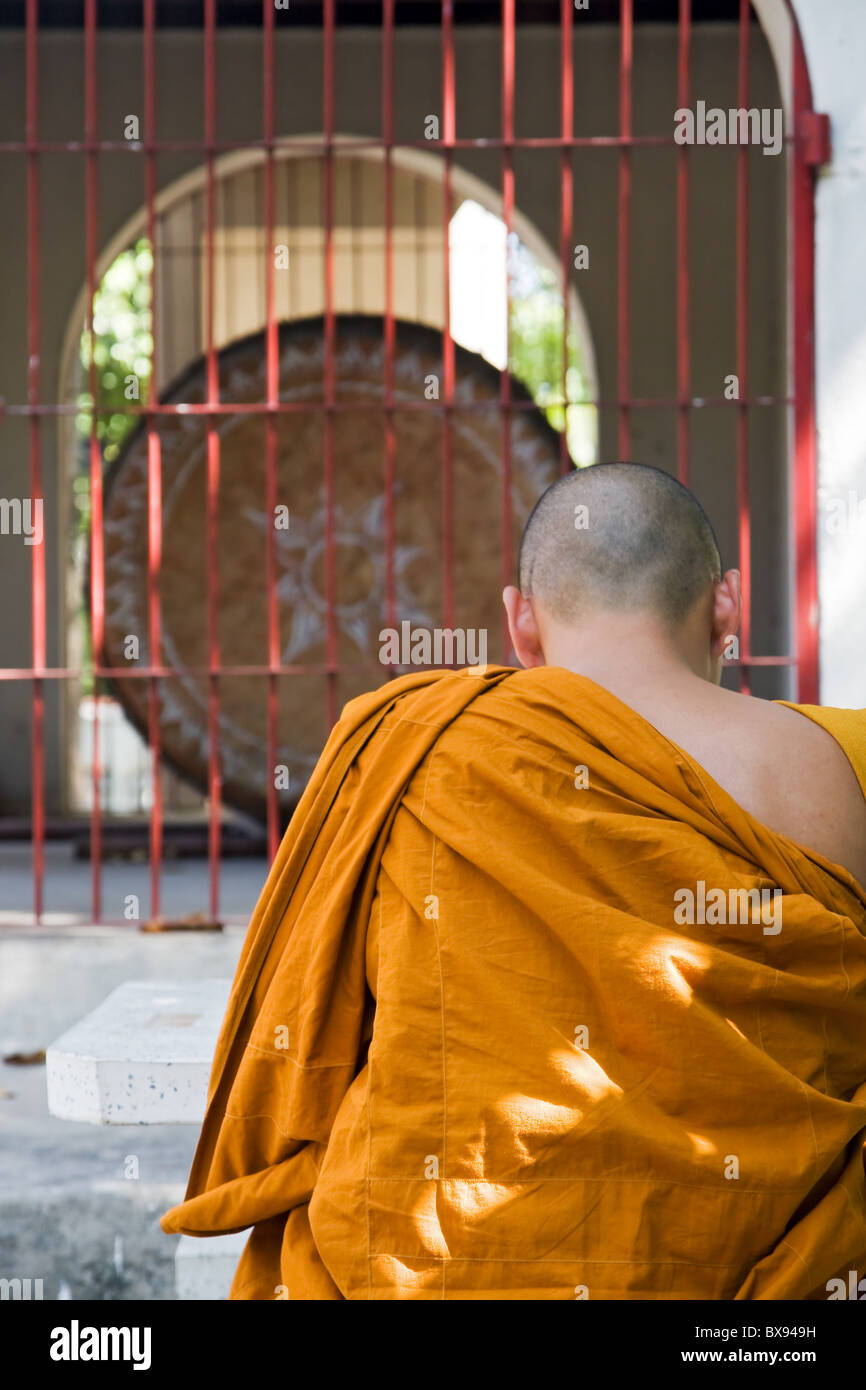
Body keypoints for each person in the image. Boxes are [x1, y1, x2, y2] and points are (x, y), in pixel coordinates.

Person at [162, 461, 866, 1300]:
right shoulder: (841, 765)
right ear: (726, 606)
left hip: (437, 1272)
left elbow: (308, 1053)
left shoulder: (422, 748)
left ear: (520, 623)